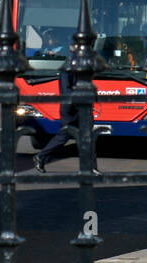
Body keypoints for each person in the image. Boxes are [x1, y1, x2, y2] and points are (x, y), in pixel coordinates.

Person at [33, 46, 99, 174]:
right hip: (71, 108)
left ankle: (92, 168)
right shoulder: (67, 67)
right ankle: (41, 157)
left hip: (84, 106)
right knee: (63, 136)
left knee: (88, 137)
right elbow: (65, 89)